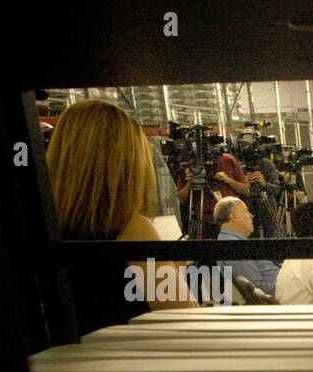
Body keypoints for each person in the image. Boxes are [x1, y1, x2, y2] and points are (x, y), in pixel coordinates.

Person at [46, 98, 199, 333]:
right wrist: (173, 268)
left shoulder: (44, 227)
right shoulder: (130, 229)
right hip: (129, 360)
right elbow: (187, 318)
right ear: (128, 163)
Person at [176, 145, 248, 238]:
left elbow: (246, 190)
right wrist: (190, 183)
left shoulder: (228, 160)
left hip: (230, 221)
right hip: (203, 221)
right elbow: (181, 198)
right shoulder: (189, 165)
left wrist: (228, 180)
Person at [213, 196, 281, 296]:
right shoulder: (233, 246)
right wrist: (289, 285)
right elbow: (256, 288)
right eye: (246, 211)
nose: (251, 216)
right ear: (233, 217)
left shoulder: (236, 243)